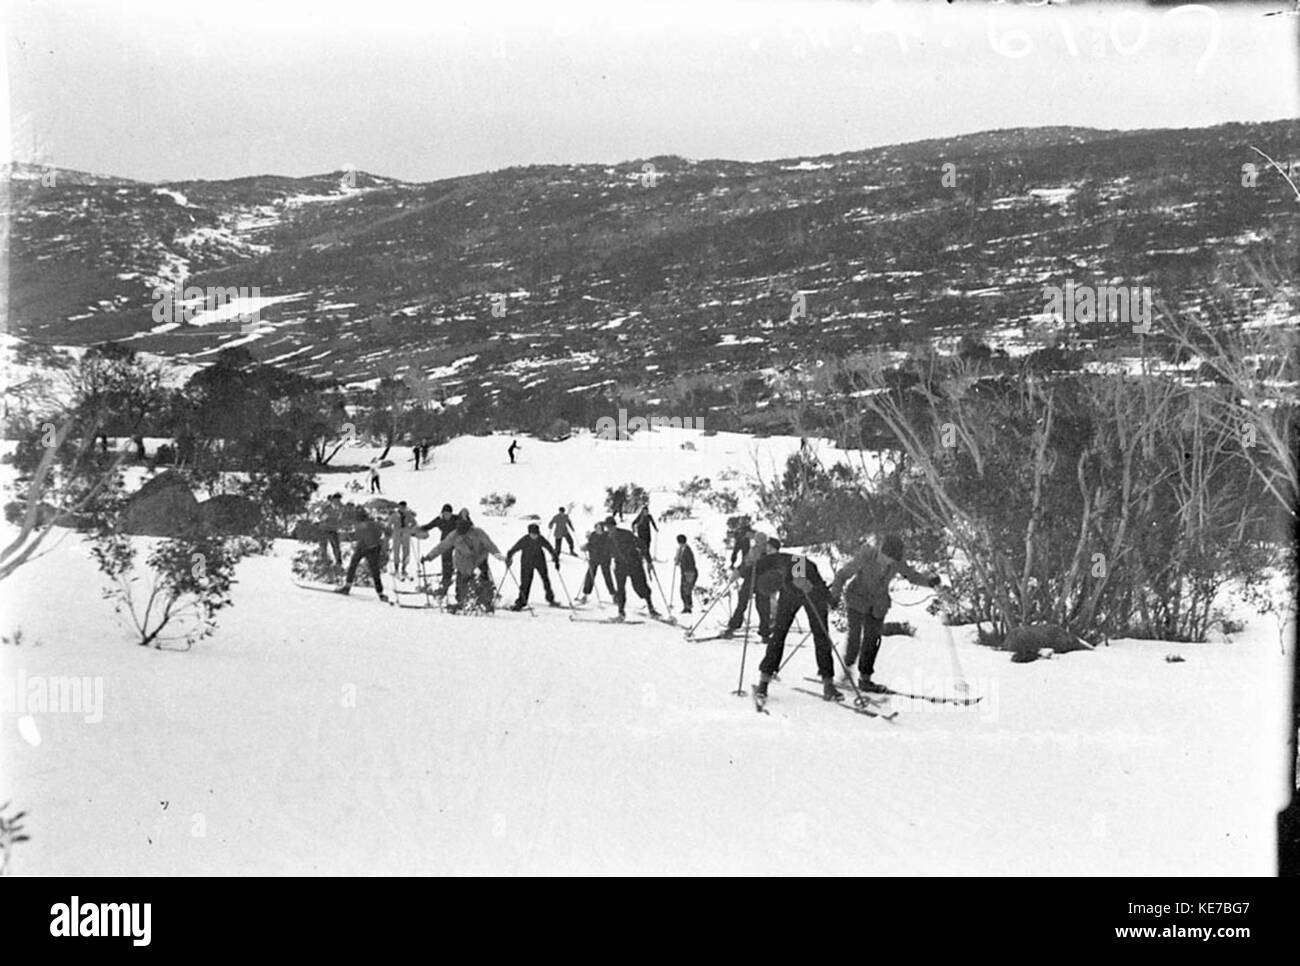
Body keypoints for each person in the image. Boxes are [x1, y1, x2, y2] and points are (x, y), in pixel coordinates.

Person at [829, 533, 941, 692]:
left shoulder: (897, 562)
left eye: (893, 560)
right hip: (857, 599)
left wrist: (929, 581)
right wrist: (834, 595)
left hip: (878, 604)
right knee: (855, 636)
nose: (889, 562)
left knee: (872, 639)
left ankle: (865, 679)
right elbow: (843, 574)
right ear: (881, 550)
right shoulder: (866, 555)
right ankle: (847, 672)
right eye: (887, 557)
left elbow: (911, 575)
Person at [753, 551, 838, 703]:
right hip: (790, 593)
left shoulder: (798, 564)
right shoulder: (768, 562)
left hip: (811, 591)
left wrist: (828, 598)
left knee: (821, 635)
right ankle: (764, 681)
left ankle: (828, 684)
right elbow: (750, 567)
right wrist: (741, 570)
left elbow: (811, 581)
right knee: (779, 634)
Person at [422, 516, 505, 612]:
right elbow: (442, 546)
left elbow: (490, 545)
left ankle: (486, 602)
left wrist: (499, 557)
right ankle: (462, 602)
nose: (461, 533)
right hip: (463, 562)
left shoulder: (478, 532)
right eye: (459, 531)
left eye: (463, 531)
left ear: (469, 528)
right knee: (461, 583)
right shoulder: (454, 535)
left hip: (479, 560)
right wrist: (429, 557)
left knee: (484, 581)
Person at [606, 516, 660, 620]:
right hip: (620, 566)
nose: (609, 529)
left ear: (614, 526)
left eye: (611, 527)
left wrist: (649, 561)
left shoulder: (626, 534)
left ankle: (651, 608)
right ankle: (621, 613)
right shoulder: (607, 538)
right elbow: (602, 549)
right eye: (608, 527)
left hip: (634, 564)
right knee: (620, 590)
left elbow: (642, 544)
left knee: (641, 587)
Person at [723, 524, 773, 636]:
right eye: (758, 541)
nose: (759, 543)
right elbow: (744, 564)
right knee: (742, 603)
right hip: (750, 580)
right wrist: (737, 573)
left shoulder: (769, 552)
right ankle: (733, 626)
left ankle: (764, 632)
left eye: (761, 541)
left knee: (763, 607)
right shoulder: (753, 550)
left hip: (763, 582)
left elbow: (773, 566)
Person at [335, 509, 389, 602]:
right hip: (373, 548)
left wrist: (346, 535)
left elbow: (357, 536)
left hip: (365, 548)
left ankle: (347, 587)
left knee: (354, 565)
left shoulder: (361, 525)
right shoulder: (374, 524)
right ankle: (380, 593)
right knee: (374, 570)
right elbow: (385, 531)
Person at [506, 524, 561, 609]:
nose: (534, 536)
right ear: (529, 533)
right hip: (527, 563)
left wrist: (556, 560)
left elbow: (550, 548)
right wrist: (509, 556)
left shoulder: (540, 539)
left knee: (545, 579)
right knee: (525, 583)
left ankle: (551, 599)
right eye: (532, 534)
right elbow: (514, 549)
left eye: (536, 534)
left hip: (540, 562)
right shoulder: (525, 540)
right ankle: (521, 602)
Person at [417, 504, 459, 593]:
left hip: (456, 541)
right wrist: (419, 529)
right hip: (445, 541)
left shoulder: (456, 519)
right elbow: (429, 526)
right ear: (442, 513)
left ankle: (451, 574)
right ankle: (446, 580)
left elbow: (467, 524)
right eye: (445, 513)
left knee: (455, 558)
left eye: (449, 513)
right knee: (445, 560)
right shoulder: (439, 520)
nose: (447, 515)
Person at [575, 520, 616, 603]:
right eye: (596, 528)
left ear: (602, 528)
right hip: (594, 559)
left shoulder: (607, 536)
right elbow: (590, 544)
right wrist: (585, 547)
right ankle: (585, 595)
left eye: (599, 528)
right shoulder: (593, 535)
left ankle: (614, 596)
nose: (598, 529)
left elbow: (610, 546)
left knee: (607, 577)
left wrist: (611, 554)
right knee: (589, 576)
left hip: (604, 560)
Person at [387, 500, 417, 579]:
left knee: (406, 551)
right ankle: (396, 569)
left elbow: (414, 523)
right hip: (397, 534)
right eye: (401, 507)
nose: (402, 508)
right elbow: (389, 524)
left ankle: (404, 568)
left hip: (406, 534)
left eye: (404, 507)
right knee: (396, 551)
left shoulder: (408, 515)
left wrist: (410, 529)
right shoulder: (394, 515)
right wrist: (389, 532)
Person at [317, 493, 345, 567]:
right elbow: (320, 516)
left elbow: (343, 517)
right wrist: (325, 518)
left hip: (333, 530)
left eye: (339, 500)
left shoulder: (341, 507)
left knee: (336, 546)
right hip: (324, 529)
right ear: (333, 500)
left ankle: (338, 562)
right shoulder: (327, 508)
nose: (338, 501)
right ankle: (325, 561)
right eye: (337, 500)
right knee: (323, 547)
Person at [674, 534, 697, 613]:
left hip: (689, 572)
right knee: (683, 590)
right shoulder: (682, 549)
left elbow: (691, 562)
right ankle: (686, 606)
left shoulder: (687, 550)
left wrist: (688, 573)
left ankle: (688, 607)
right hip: (685, 572)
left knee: (686, 590)